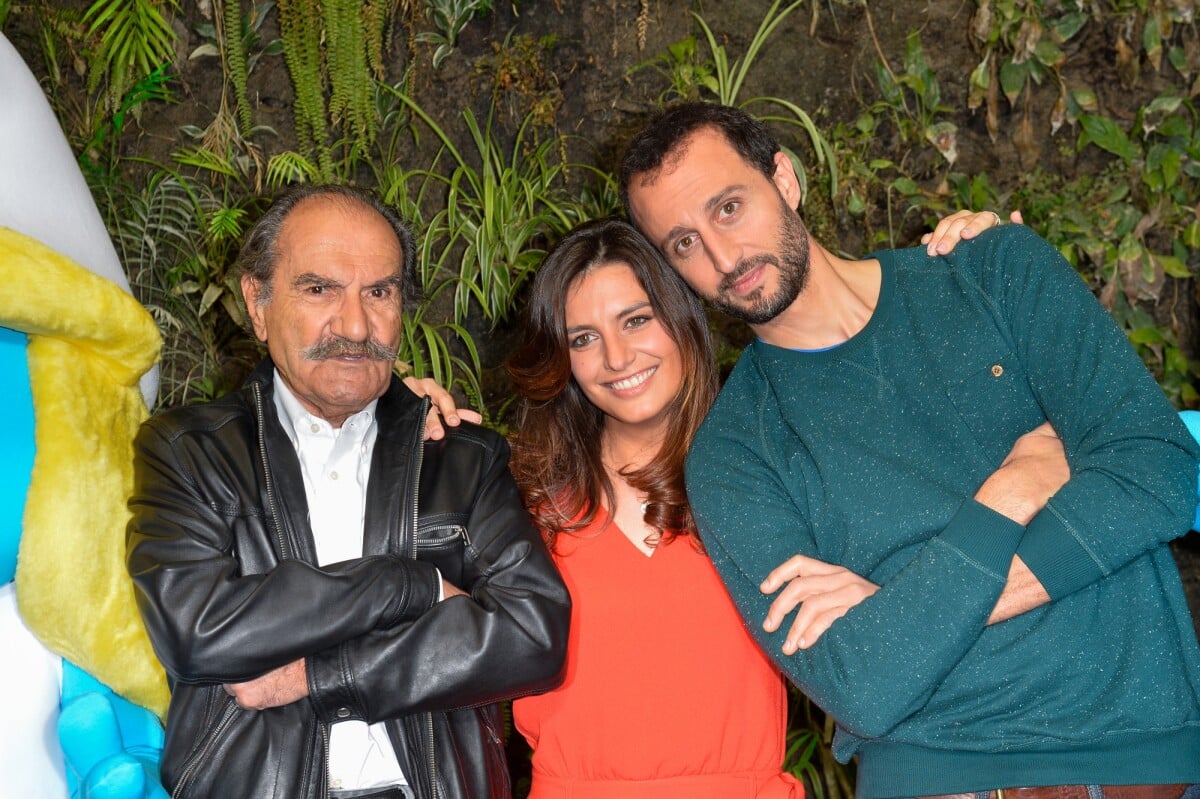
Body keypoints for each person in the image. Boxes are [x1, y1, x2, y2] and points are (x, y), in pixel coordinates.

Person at [618, 102, 1200, 799]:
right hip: (936, 776)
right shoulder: (734, 452)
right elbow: (858, 682)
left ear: (785, 179)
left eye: (730, 207)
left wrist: (898, 602)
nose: (721, 256)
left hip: (1132, 755)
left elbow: (1160, 470)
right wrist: (1011, 488)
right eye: (682, 243)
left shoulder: (991, 272)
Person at [500, 211, 998, 798]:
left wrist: (973, 279)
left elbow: (935, 547)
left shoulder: (776, 467)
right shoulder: (518, 498)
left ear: (684, 318)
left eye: (637, 320)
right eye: (583, 337)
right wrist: (402, 421)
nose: (616, 356)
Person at [126, 183, 571, 799]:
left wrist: (320, 675)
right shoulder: (188, 451)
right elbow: (199, 631)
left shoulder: (461, 456)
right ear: (257, 302)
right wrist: (407, 584)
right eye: (319, 289)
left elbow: (534, 637)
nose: (356, 324)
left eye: (380, 292)